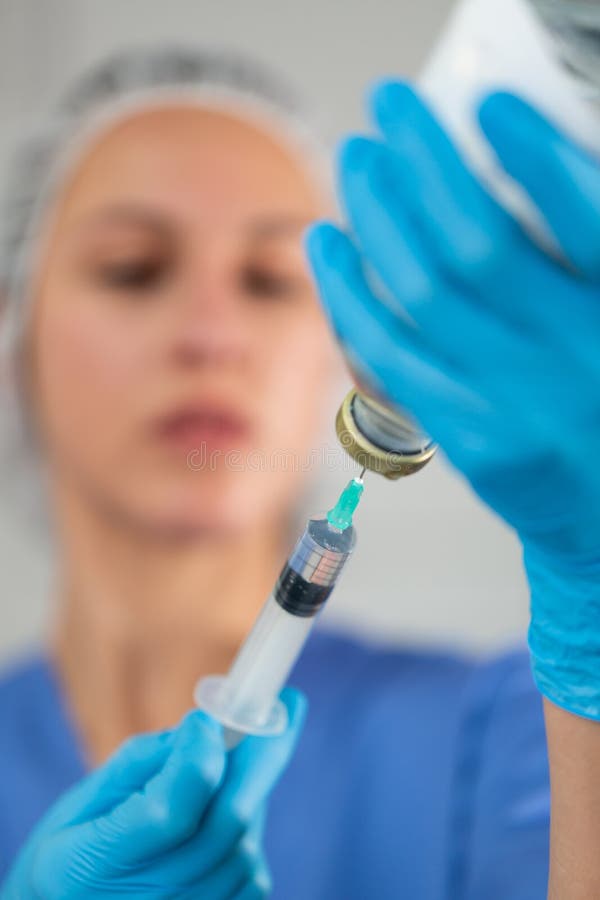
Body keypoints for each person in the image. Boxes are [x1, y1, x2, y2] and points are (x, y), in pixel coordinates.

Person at [0, 48, 552, 898]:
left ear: (338, 350)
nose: (211, 335)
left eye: (268, 281)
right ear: (17, 335)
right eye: (133, 270)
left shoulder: (520, 734)